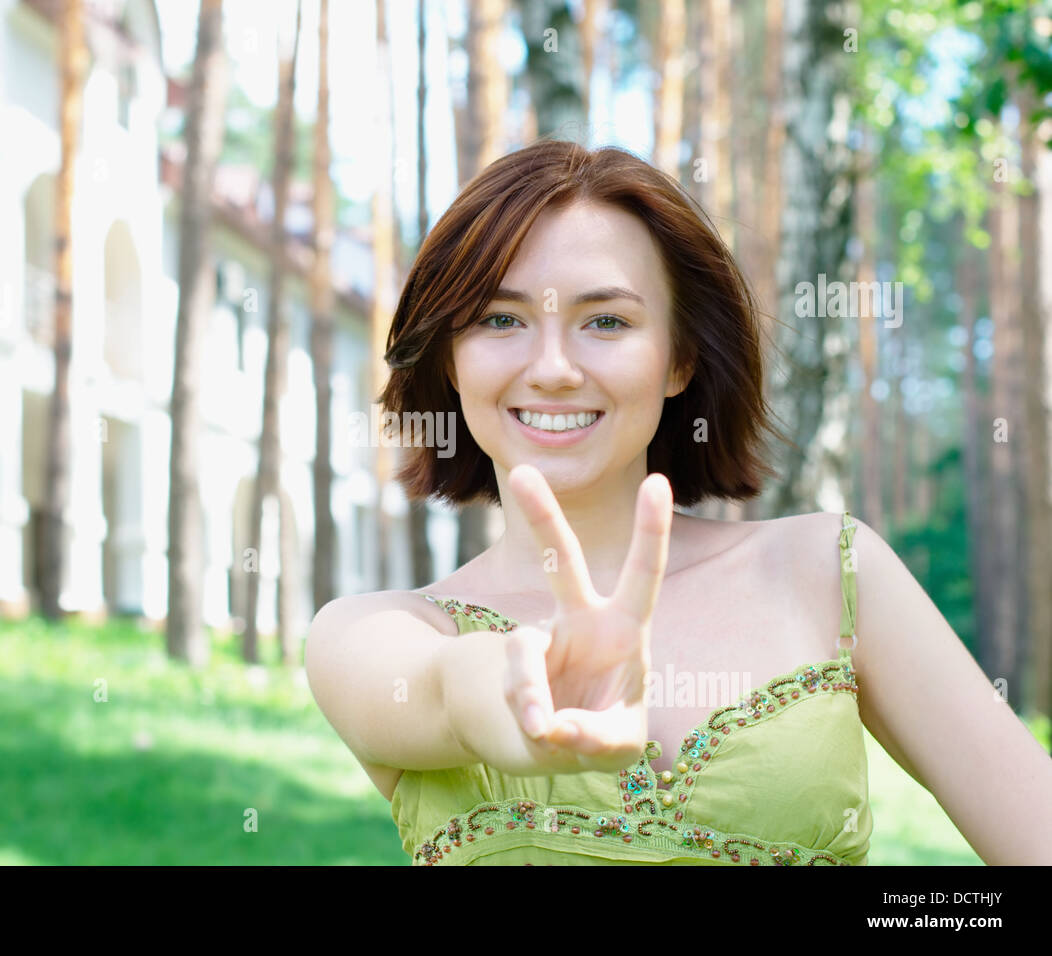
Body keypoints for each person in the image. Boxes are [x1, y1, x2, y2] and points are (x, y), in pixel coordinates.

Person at [305, 139, 1052, 865]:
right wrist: (526, 693)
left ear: (679, 359)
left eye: (608, 321)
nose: (555, 368)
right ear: (450, 358)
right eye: (502, 319)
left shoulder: (831, 572)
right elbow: (444, 694)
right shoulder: (371, 633)